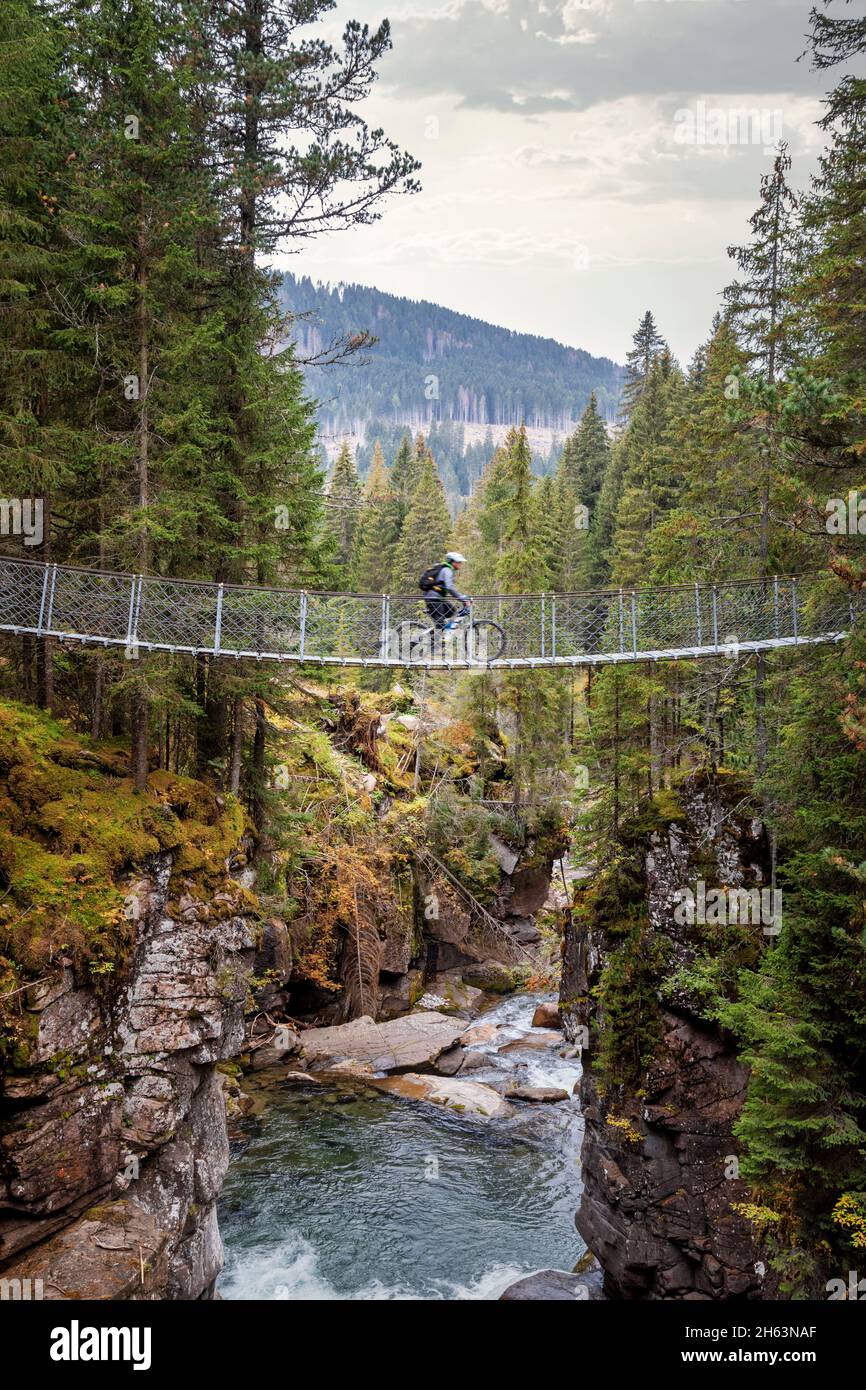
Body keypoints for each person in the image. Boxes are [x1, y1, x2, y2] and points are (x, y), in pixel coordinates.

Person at [423, 551, 471, 631]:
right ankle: (437, 640)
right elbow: (450, 587)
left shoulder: (447, 569)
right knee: (440, 622)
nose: (460, 564)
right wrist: (462, 598)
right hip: (434, 599)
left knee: (452, 611)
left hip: (438, 598)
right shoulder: (447, 570)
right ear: (453, 562)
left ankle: (441, 630)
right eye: (459, 562)